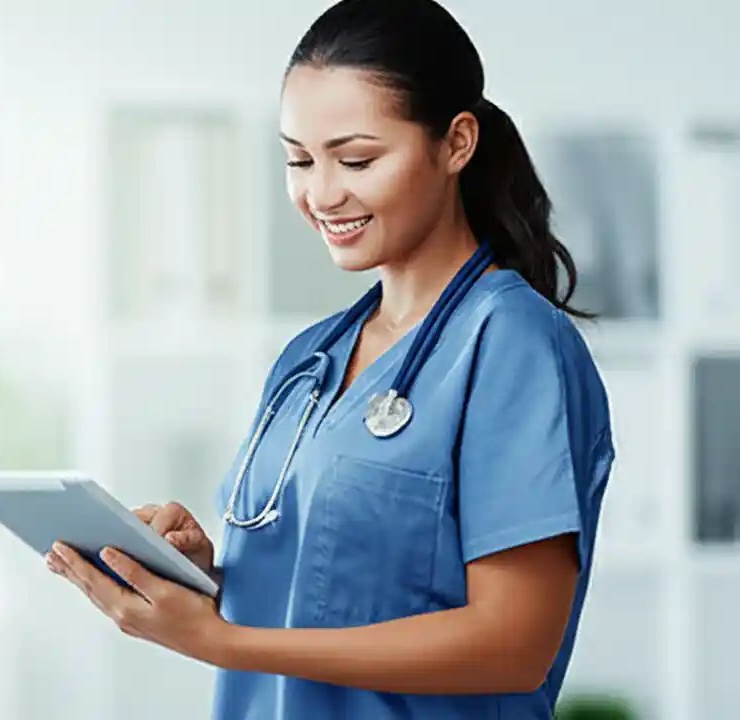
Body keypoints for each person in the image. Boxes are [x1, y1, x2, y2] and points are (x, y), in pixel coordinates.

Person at [43, 0, 614, 716]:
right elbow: (334, 595)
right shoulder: (310, 358)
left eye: (357, 160)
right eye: (299, 159)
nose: (321, 193)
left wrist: (225, 643)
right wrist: (202, 576)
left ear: (456, 143)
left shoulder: (512, 343)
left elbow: (514, 643)